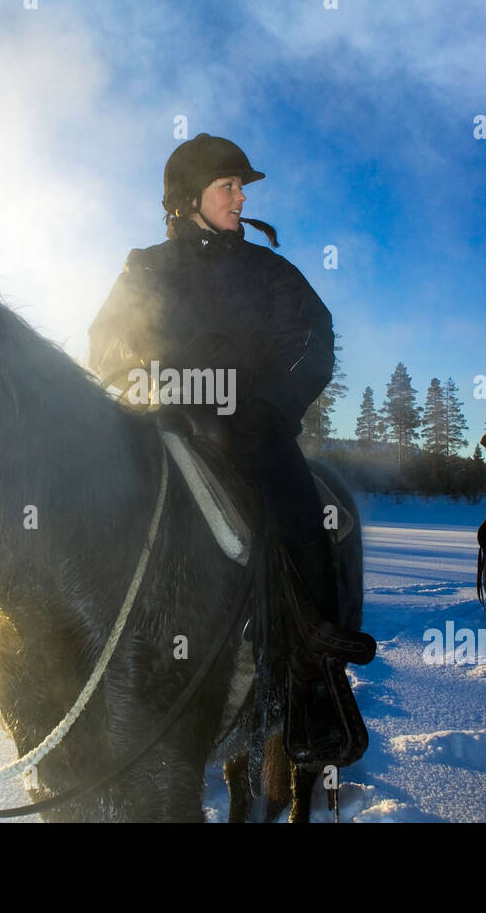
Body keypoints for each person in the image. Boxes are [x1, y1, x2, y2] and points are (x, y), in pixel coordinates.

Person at [89, 133, 374, 768]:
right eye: (229, 186)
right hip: (160, 425)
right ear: (189, 198)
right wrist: (160, 376)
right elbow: (105, 350)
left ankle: (314, 679)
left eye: (242, 187)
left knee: (304, 511)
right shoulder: (144, 267)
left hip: (253, 430)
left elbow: (316, 342)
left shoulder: (269, 270)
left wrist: (270, 406)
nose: (242, 197)